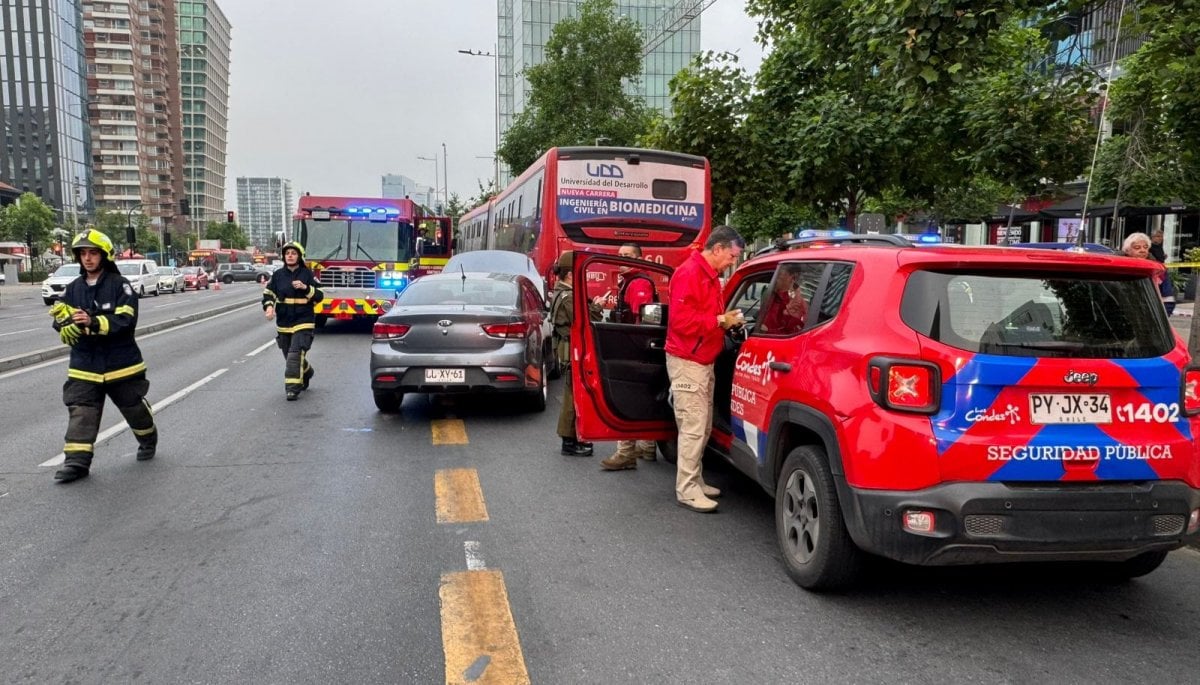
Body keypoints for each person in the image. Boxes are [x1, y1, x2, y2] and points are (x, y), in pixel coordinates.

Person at [49, 229, 157, 483]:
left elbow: (125, 320)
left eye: (93, 253)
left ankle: (148, 440)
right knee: (81, 413)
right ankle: (76, 463)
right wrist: (64, 325)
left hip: (122, 366)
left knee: (134, 410)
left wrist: (93, 322)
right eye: (83, 253)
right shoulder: (73, 289)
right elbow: (60, 318)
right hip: (84, 367)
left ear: (104, 255)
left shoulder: (121, 286)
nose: (87, 258)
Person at [664, 226, 745, 512]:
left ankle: (694, 480)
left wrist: (724, 320)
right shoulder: (690, 274)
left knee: (702, 425)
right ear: (718, 248)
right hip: (688, 360)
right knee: (694, 428)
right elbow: (680, 322)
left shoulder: (708, 274)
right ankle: (686, 489)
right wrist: (719, 321)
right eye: (732, 256)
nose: (732, 262)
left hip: (701, 359)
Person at [598, 243, 659, 471]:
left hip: (634, 347)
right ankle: (647, 446)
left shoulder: (639, 282)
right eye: (620, 255)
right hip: (637, 346)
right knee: (643, 397)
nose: (623, 259)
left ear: (640, 258)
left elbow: (641, 319)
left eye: (629, 256)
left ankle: (625, 453)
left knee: (626, 398)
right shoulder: (629, 281)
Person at [262, 241, 324, 400]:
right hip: (284, 323)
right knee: (290, 357)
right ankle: (307, 372)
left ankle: (292, 389)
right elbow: (269, 294)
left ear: (299, 256)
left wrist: (305, 288)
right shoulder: (278, 275)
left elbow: (319, 296)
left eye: (293, 253)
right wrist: (269, 307)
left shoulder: (307, 274)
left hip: (304, 321)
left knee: (294, 355)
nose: (290, 255)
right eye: (287, 253)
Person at [552, 250, 598, 456]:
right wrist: (597, 306)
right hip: (571, 350)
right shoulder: (568, 296)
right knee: (572, 396)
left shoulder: (561, 292)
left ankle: (571, 438)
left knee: (572, 393)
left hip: (567, 348)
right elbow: (584, 319)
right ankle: (569, 440)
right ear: (571, 275)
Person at [1123, 232, 1176, 315]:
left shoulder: (1159, 270)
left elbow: (1168, 299)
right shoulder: (1119, 268)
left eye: (1145, 247)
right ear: (1127, 251)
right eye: (1137, 247)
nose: (1142, 250)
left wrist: (1160, 317)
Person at [758, 265, 808, 335]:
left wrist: (768, 331)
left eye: (779, 274)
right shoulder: (771, 293)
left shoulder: (796, 301)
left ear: (792, 277)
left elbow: (793, 332)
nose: (775, 278)